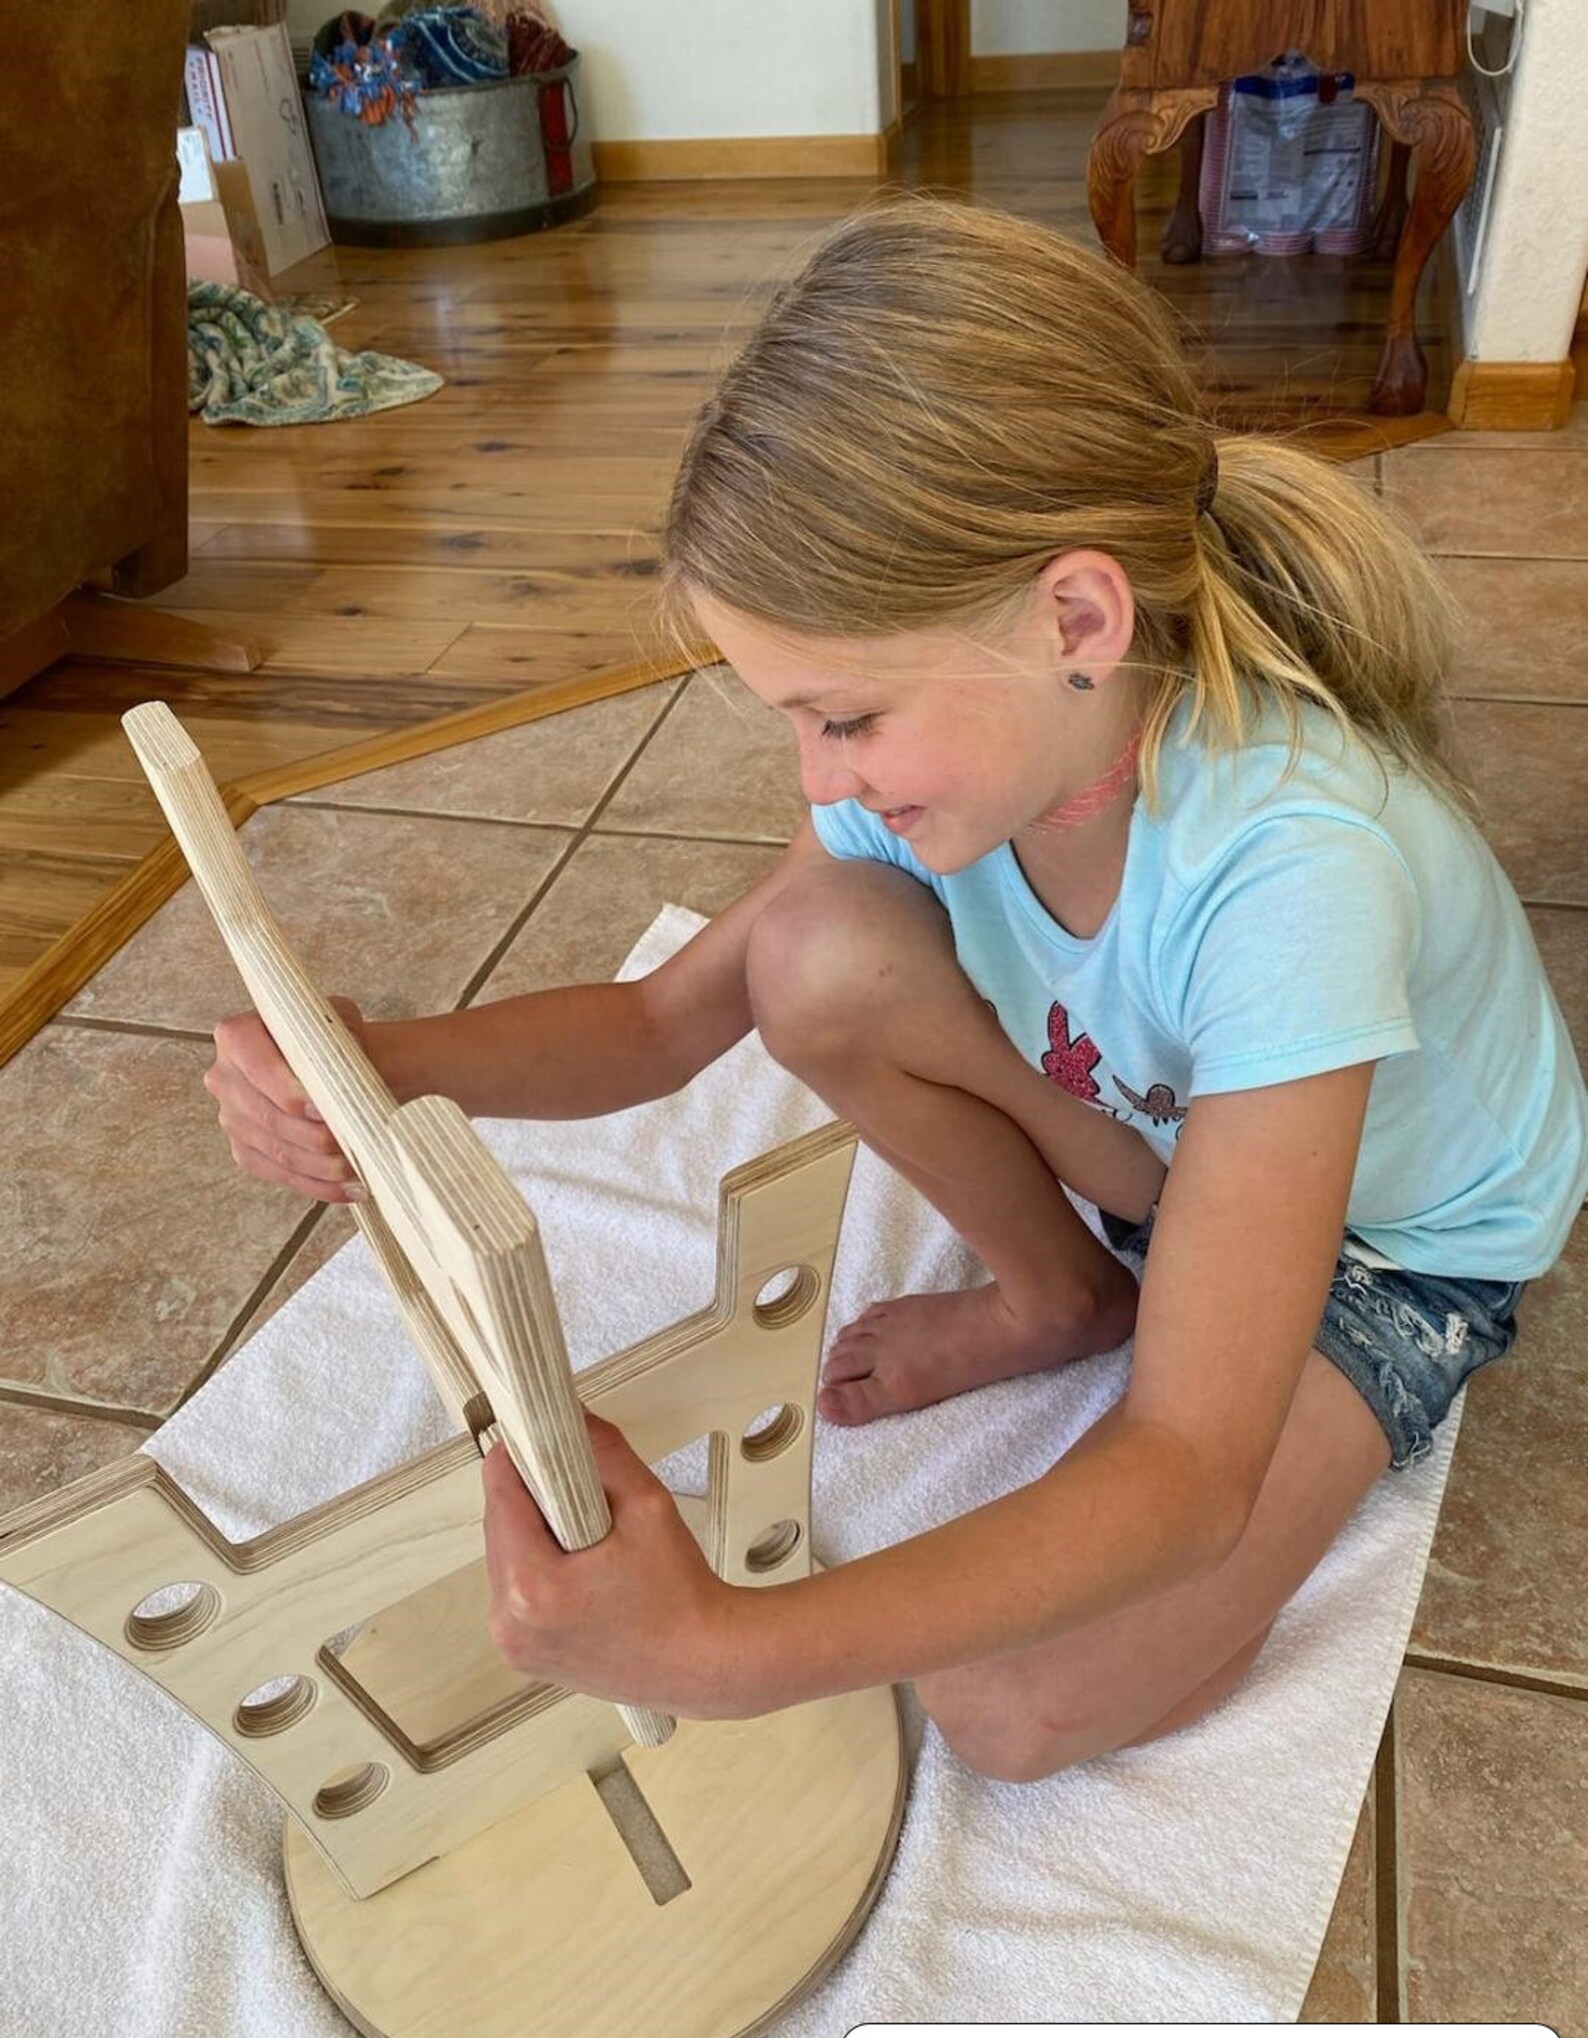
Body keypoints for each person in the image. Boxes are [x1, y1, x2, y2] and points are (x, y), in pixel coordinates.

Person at [205, 197, 1588, 1782]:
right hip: (1173, 1144)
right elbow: (669, 1020)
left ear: (1076, 620)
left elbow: (1192, 1462)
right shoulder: (988, 752)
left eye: (845, 714)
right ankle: (1067, 1294)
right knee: (816, 946)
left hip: (1390, 1249)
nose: (816, 775)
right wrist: (367, 1063)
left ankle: (1145, 1307)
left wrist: (721, 1648)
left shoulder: (1294, 869)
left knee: (1014, 1706)